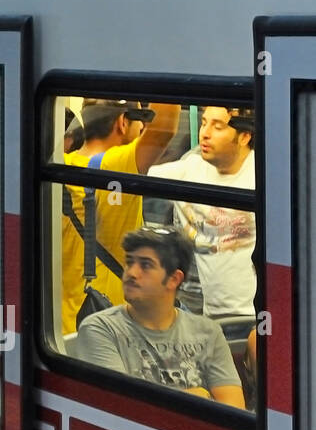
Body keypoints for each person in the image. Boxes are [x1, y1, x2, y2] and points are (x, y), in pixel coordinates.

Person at [75, 226, 245, 408]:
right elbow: (121, 408)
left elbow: (234, 408)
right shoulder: (99, 328)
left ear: (174, 279)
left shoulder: (208, 332)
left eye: (146, 265)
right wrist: (196, 396)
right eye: (129, 262)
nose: (131, 273)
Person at [60, 99, 180, 335]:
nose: (143, 129)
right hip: (112, 322)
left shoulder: (62, 164)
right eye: (141, 120)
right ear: (123, 123)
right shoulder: (118, 165)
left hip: (65, 320)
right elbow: (165, 128)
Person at [146, 107, 255, 319]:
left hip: (257, 316)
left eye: (218, 127)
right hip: (210, 317)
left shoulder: (263, 172)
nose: (204, 133)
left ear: (244, 136)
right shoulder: (190, 170)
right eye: (204, 123)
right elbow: (132, 172)